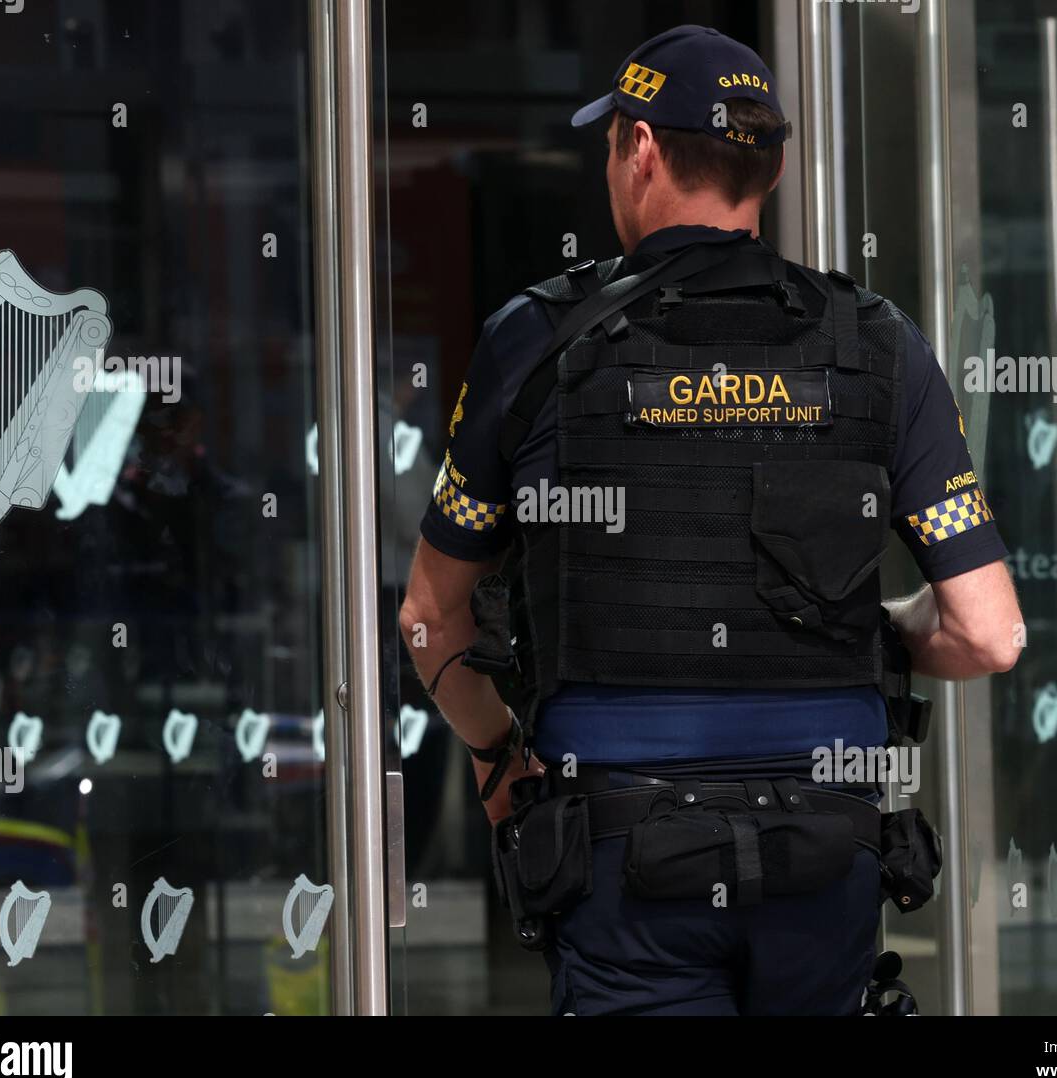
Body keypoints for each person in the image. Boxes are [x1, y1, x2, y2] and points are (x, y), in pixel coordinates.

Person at [399, 24, 1021, 1015]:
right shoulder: (874, 343)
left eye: (610, 143)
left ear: (639, 148)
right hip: (827, 852)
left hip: (621, 857)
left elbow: (431, 614)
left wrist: (494, 753)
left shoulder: (535, 339)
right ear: (765, 170)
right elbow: (989, 633)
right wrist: (876, 635)